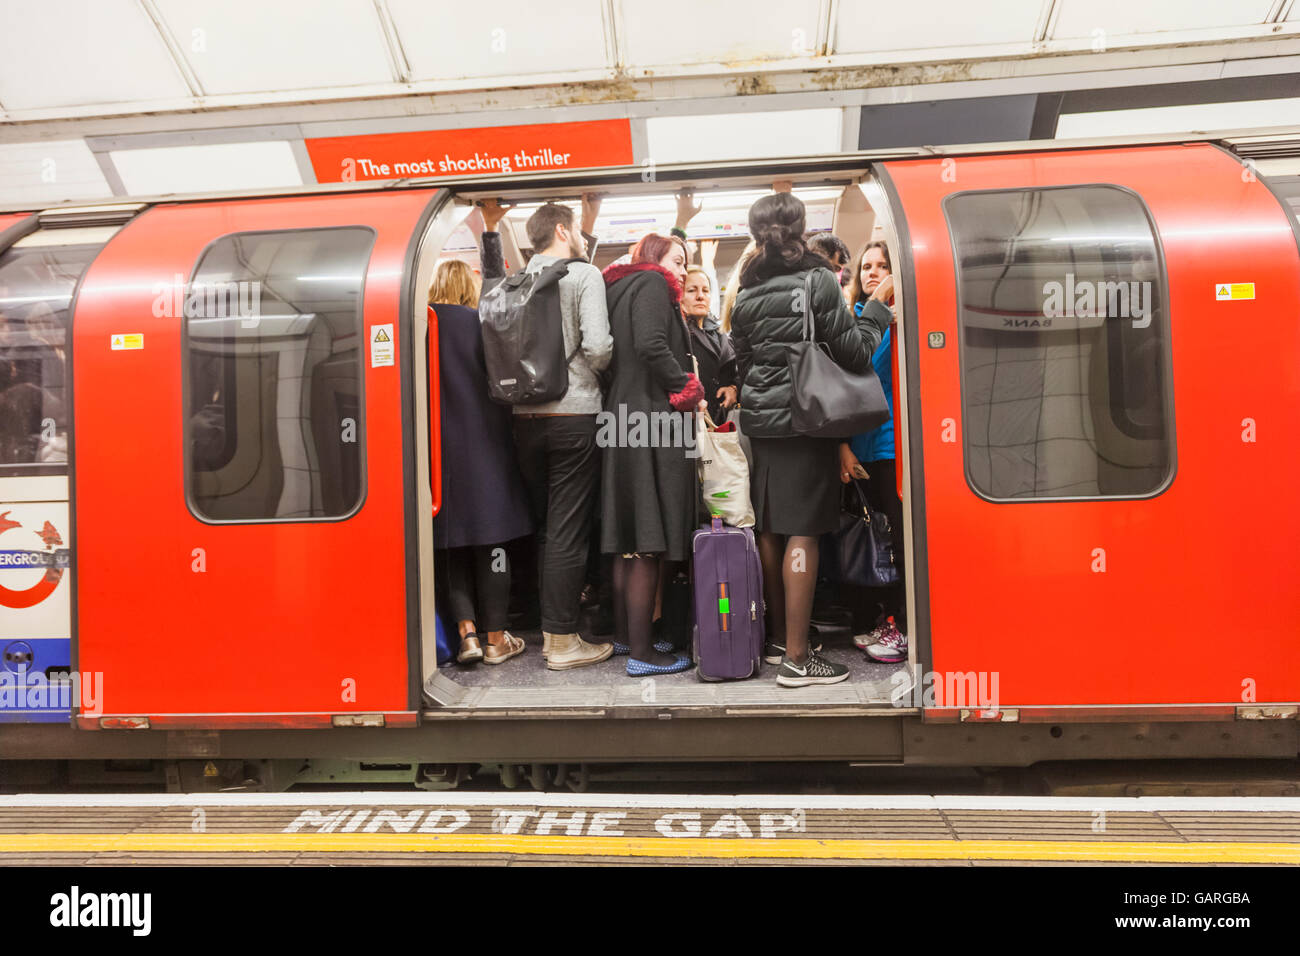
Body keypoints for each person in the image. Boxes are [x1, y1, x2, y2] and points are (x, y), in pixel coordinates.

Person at [730, 194, 888, 688]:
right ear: (800, 228)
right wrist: (877, 311)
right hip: (806, 419)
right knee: (805, 532)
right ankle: (800, 660)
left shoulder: (748, 289)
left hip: (762, 423)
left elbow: (744, 359)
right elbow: (856, 352)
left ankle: (781, 642)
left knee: (773, 528)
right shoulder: (819, 279)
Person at [508, 203, 615, 670]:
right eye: (576, 228)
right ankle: (563, 641)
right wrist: (592, 373)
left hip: (523, 420)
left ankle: (552, 630)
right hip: (574, 416)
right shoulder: (582, 275)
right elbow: (598, 346)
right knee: (570, 529)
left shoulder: (515, 280)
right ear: (561, 229)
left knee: (549, 529)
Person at [599, 233, 701, 675]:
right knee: (644, 537)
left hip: (621, 416)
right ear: (657, 258)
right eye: (678, 261)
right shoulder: (654, 284)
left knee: (627, 537)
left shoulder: (617, 288)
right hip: (650, 418)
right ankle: (643, 654)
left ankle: (627, 637)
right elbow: (651, 344)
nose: (681, 271)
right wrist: (686, 386)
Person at [428, 258, 533, 665]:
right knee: (493, 544)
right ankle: (496, 639)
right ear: (470, 291)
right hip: (487, 449)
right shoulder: (484, 325)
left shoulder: (421, 329)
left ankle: (466, 634)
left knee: (450, 546)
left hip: (437, 457)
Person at [841, 240, 908, 664]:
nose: (873, 271)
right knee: (865, 537)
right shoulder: (853, 324)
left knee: (897, 538)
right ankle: (873, 620)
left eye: (883, 265)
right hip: (858, 446)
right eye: (867, 265)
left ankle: (900, 624)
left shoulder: (899, 320)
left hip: (889, 446)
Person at [681, 265, 737, 423]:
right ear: (679, 295)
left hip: (720, 422)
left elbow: (735, 370)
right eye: (692, 290)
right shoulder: (679, 334)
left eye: (705, 290)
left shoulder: (719, 332)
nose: (700, 296)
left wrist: (733, 388)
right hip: (691, 423)